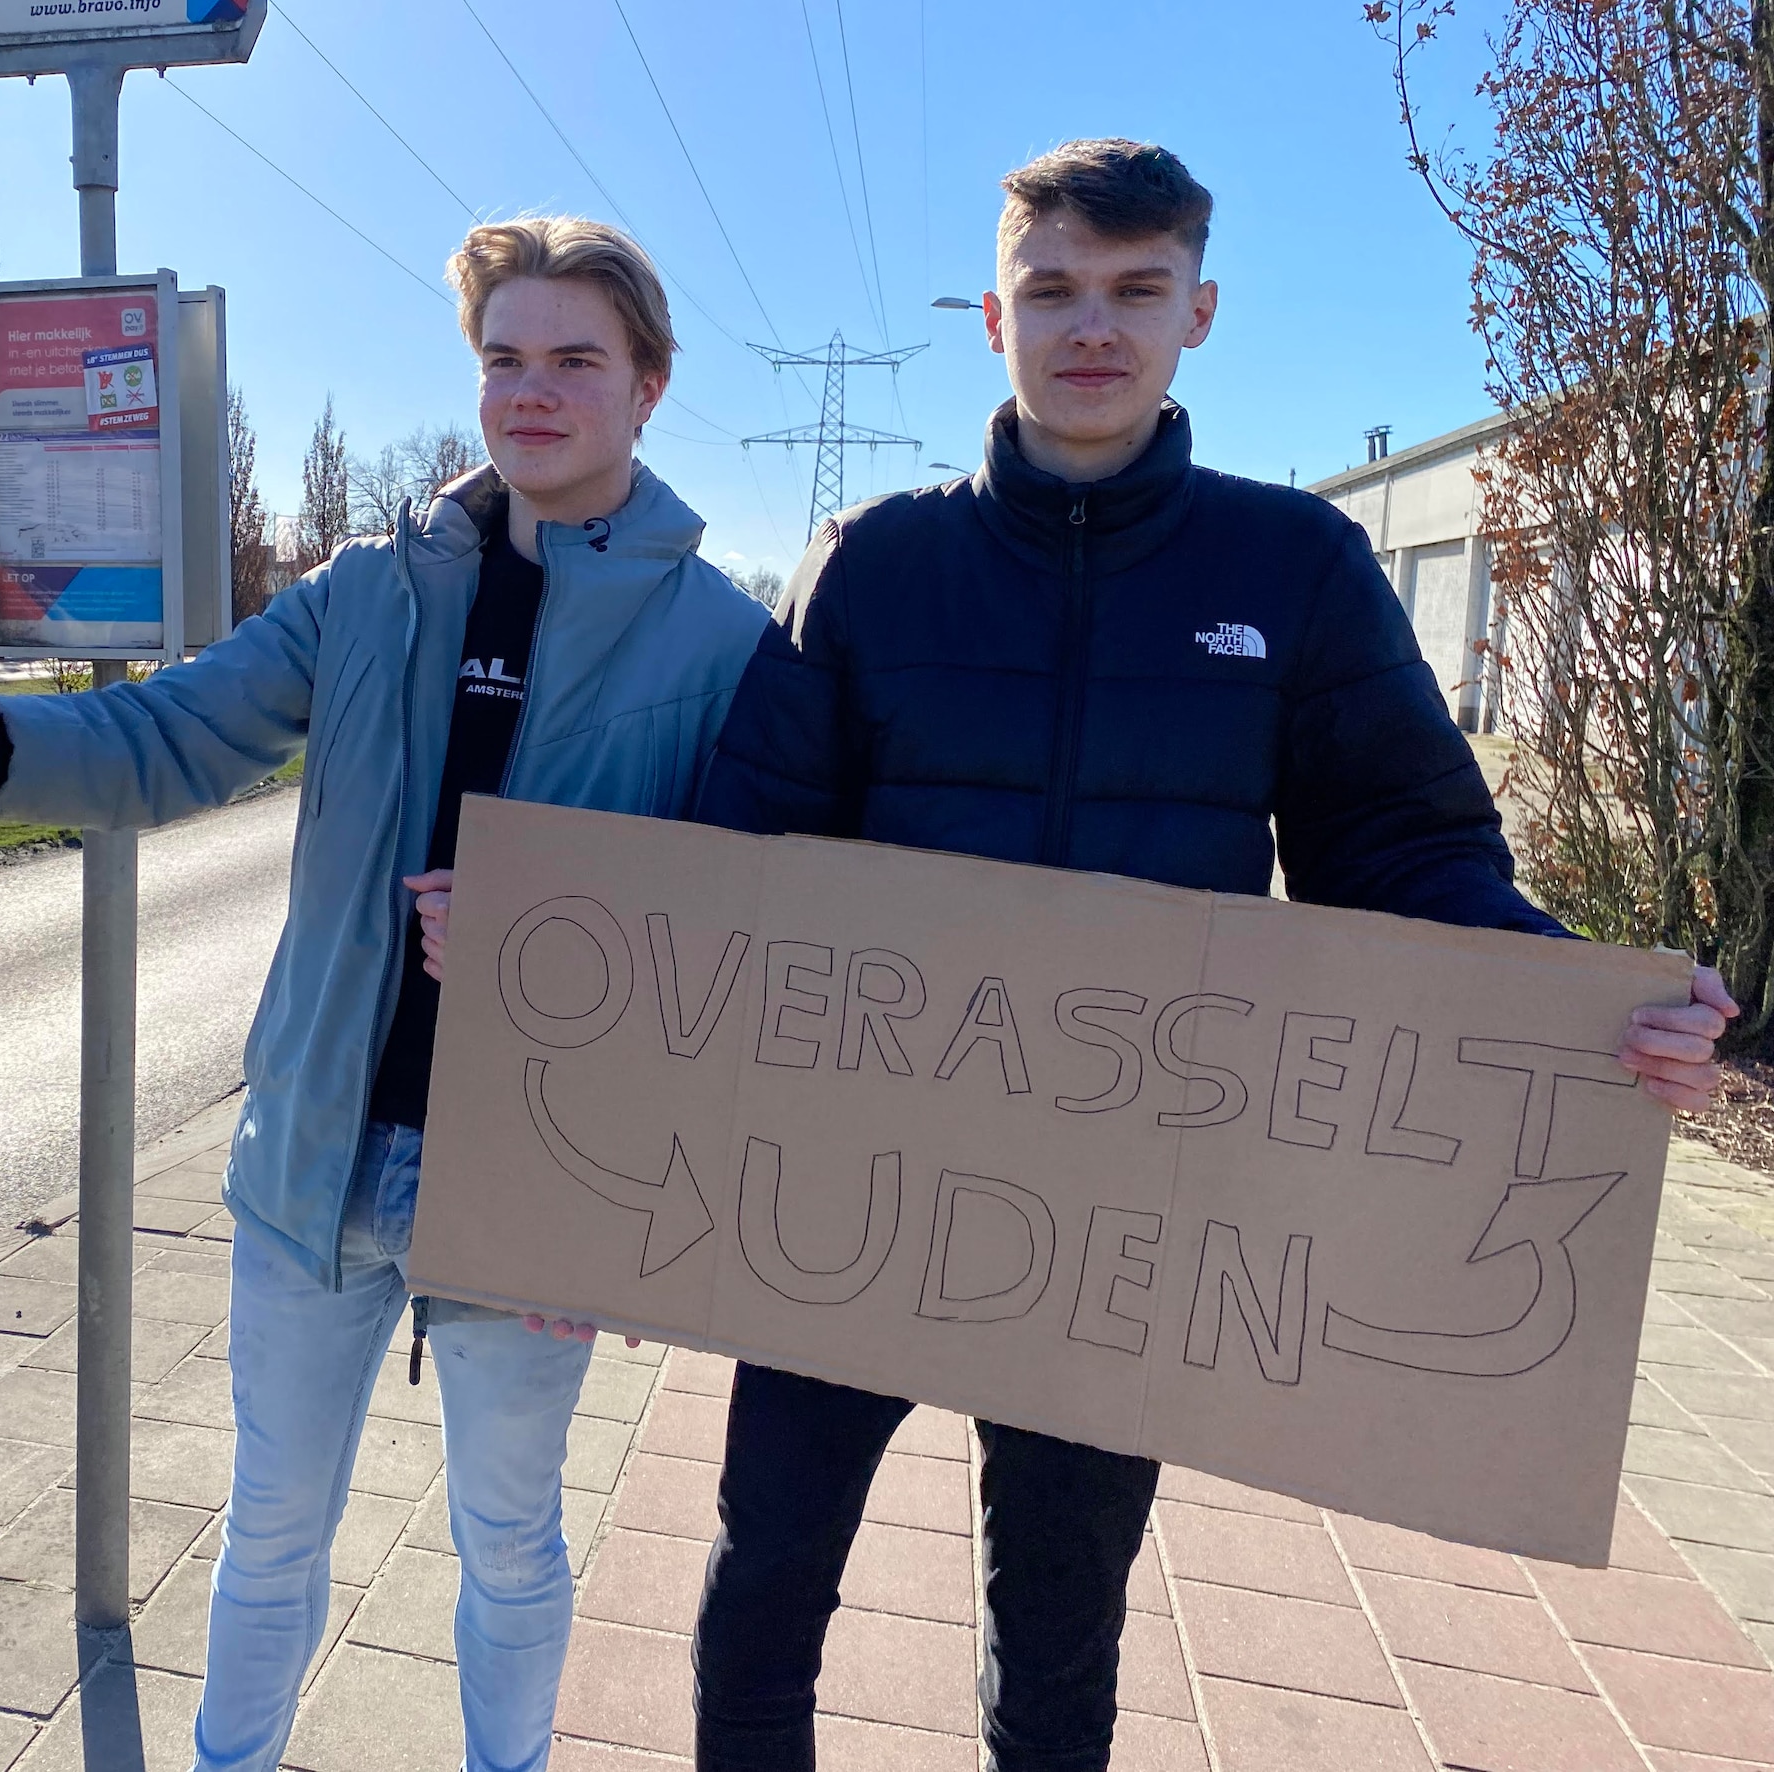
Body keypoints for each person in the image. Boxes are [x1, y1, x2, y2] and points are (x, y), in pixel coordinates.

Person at [676, 139, 1737, 1772]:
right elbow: (742, 855)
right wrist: (559, 949)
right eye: (1052, 291)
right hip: (851, 1196)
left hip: (1126, 1217)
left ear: (1199, 310)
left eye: (1134, 290)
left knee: (1059, 1636)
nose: (1090, 326)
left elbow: (1405, 849)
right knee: (761, 1599)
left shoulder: (1292, 568)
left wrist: (1580, 993)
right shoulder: (877, 561)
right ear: (993, 316)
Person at [0, 215, 770, 1772]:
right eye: (503, 359)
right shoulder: (369, 590)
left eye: (573, 360)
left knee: (511, 1542)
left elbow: (751, 939)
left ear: (649, 387)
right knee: (270, 1532)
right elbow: (177, 737)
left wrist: (575, 962)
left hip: (542, 1187)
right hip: (312, 1166)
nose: (529, 392)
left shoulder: (725, 638)